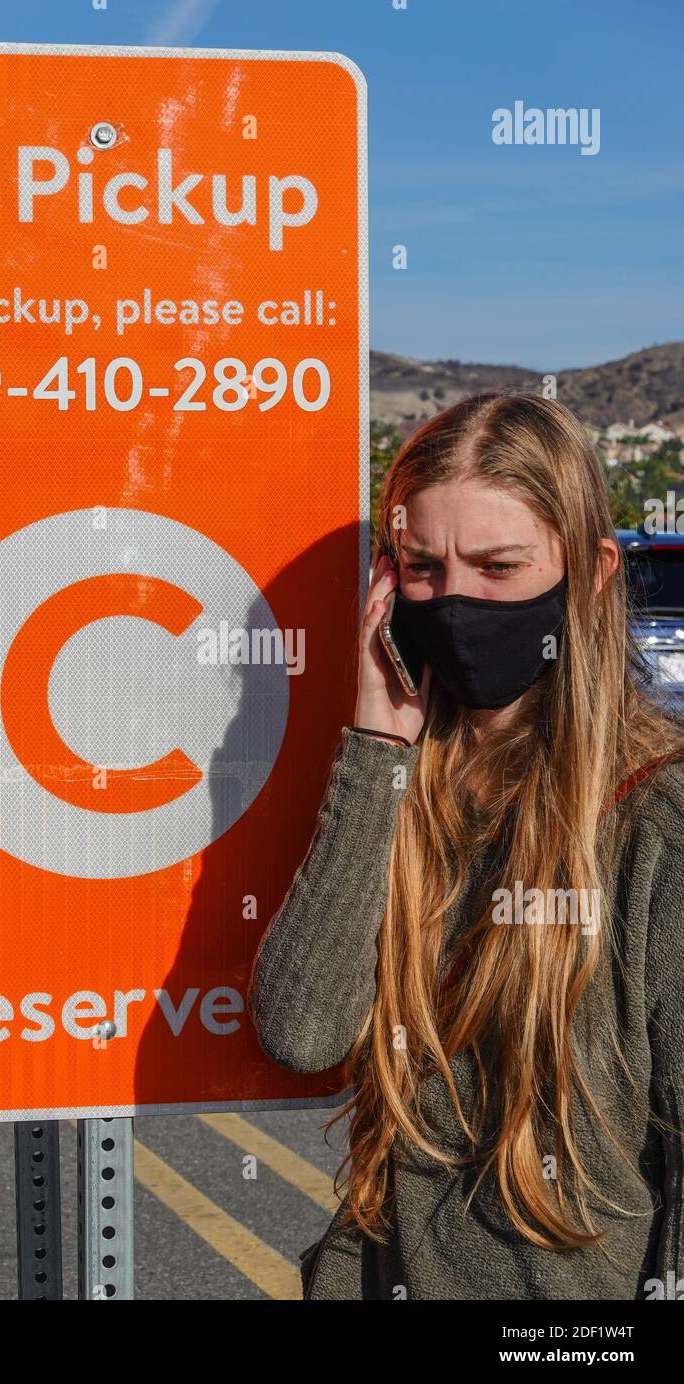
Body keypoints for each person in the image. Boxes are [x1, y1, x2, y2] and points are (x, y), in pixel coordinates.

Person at [247, 393, 684, 1300]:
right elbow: (301, 1031)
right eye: (423, 567)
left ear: (593, 572)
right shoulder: (395, 787)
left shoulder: (657, 824)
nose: (457, 602)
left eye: (498, 567)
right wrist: (377, 747)